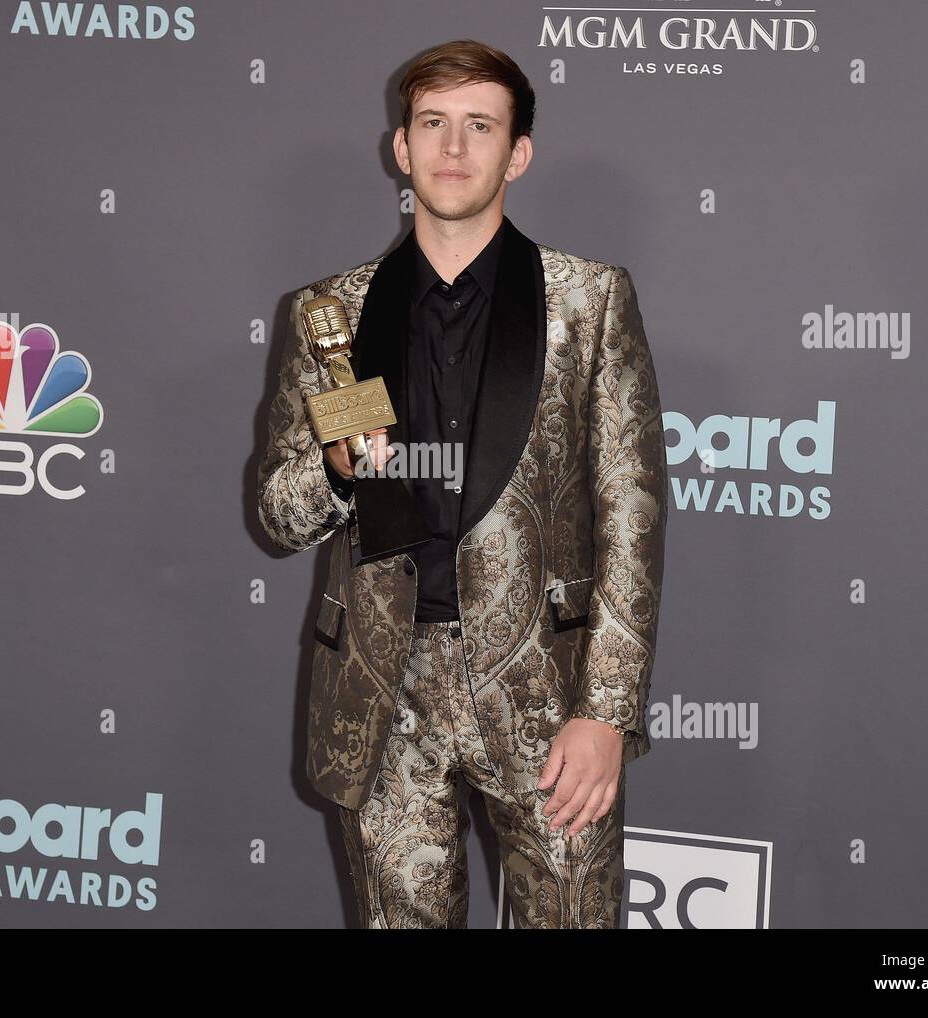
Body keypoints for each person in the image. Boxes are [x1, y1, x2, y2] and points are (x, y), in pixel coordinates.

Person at [256, 38, 668, 928]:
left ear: (517, 153)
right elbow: (281, 515)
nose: (453, 148)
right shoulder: (331, 314)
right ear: (399, 148)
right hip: (383, 687)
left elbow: (633, 516)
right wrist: (334, 472)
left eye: (479, 126)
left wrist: (607, 711)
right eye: (432, 125)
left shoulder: (588, 302)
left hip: (546, 693)